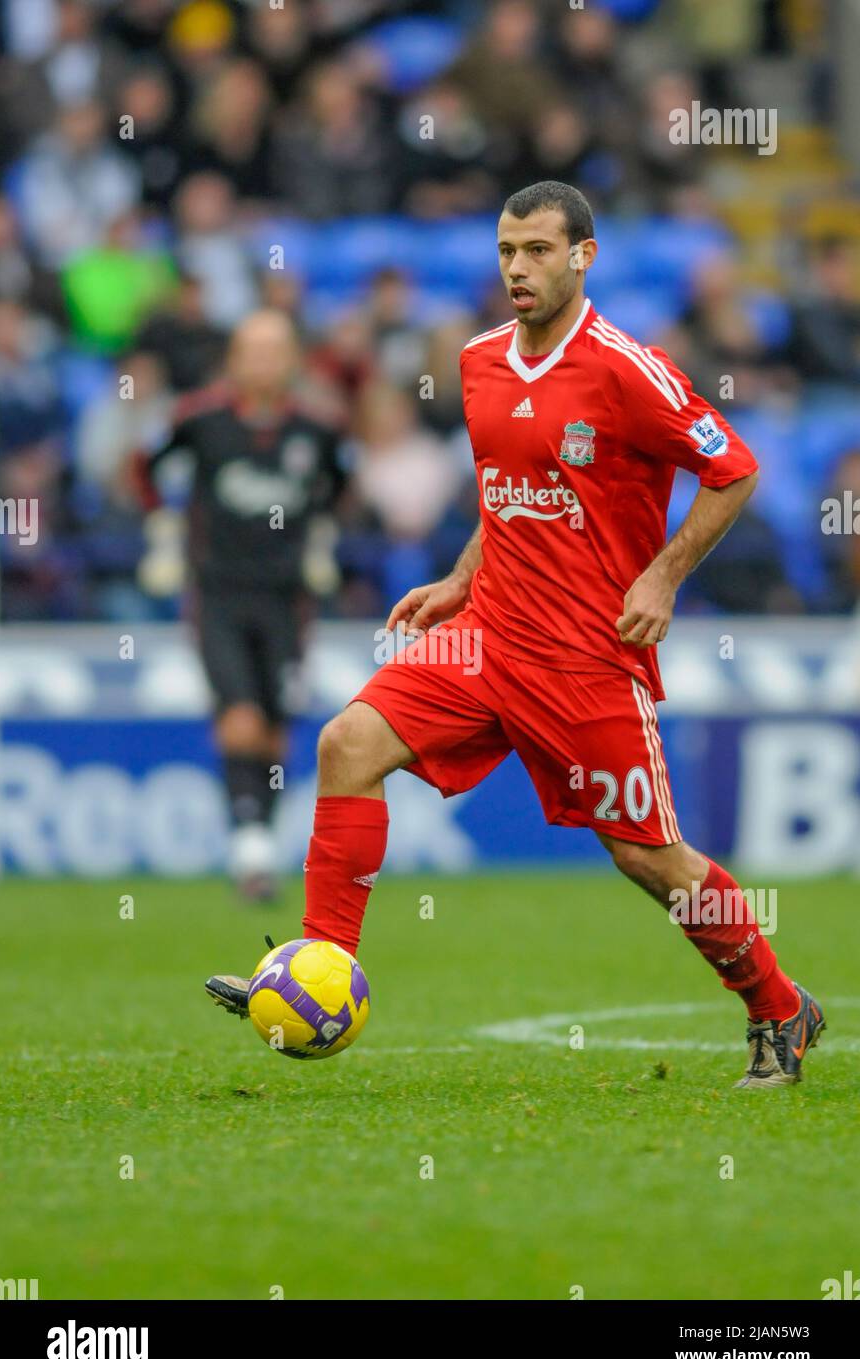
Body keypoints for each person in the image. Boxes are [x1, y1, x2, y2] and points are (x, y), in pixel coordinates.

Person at [205, 183, 825, 1089]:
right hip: (488, 635)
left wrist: (660, 576)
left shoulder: (624, 367)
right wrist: (460, 581)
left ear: (583, 256)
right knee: (347, 744)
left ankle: (779, 1008)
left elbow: (732, 470)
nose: (517, 270)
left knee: (648, 857)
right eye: (506, 252)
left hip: (585, 656)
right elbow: (505, 488)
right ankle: (319, 970)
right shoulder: (480, 360)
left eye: (537, 251)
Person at [137, 309, 345, 899]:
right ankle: (250, 848)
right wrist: (163, 530)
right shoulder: (200, 420)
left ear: (293, 359)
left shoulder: (316, 429)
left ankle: (258, 838)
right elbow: (143, 468)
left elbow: (340, 486)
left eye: (275, 349)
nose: (264, 361)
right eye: (253, 349)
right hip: (218, 592)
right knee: (240, 717)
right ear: (234, 358)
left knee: (276, 730)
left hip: (288, 598)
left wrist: (320, 539)